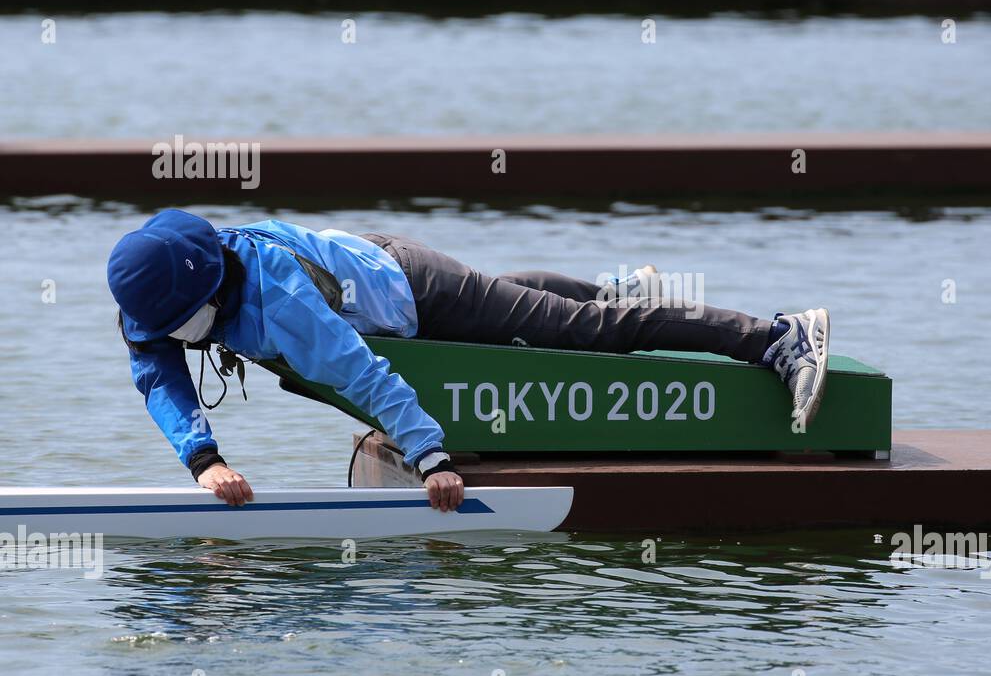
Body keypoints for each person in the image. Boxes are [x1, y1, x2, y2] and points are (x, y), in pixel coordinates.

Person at [107, 210, 830, 512]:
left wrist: (431, 458)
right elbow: (155, 369)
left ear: (209, 291)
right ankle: (621, 290)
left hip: (416, 293)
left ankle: (775, 337)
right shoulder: (158, 287)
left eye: (180, 325)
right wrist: (203, 460)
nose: (174, 336)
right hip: (373, 273)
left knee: (581, 336)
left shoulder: (284, 305)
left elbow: (365, 374)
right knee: (526, 312)